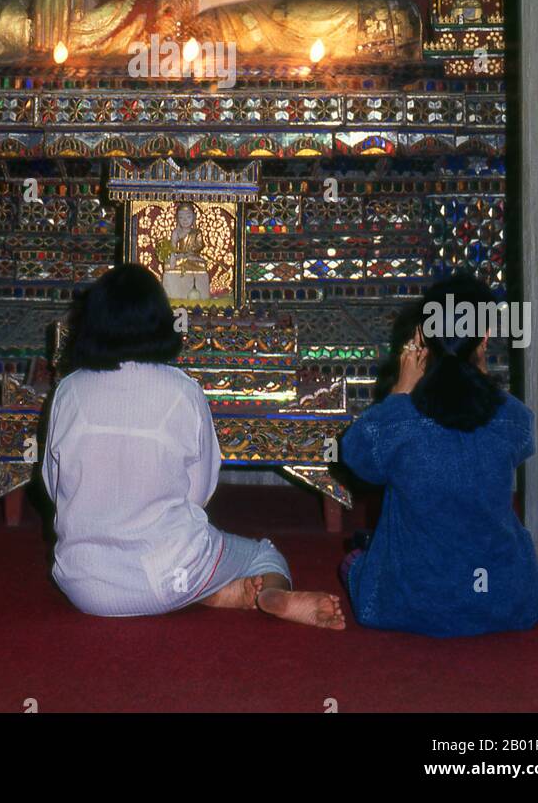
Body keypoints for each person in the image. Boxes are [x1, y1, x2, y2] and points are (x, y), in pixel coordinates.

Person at [41, 262, 344, 628]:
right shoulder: (183, 390)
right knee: (265, 555)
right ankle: (264, 593)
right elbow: (199, 491)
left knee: (184, 558)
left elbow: (53, 485)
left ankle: (217, 593)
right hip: (168, 574)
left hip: (80, 582)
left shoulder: (68, 391)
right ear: (160, 321)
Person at [340, 272, 538, 635]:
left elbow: (357, 461)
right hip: (503, 601)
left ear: (421, 340)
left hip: (407, 603)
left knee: (354, 561)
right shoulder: (514, 418)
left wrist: (400, 392)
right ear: (484, 338)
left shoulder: (397, 422)